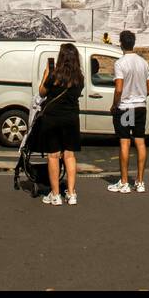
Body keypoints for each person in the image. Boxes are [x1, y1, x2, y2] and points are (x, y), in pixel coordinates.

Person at [107, 30, 149, 194]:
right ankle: (140, 181)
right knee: (140, 142)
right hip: (141, 106)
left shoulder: (120, 63)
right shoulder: (143, 62)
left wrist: (114, 104)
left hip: (126, 107)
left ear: (121, 43)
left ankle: (125, 181)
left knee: (125, 142)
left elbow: (119, 88)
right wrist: (138, 95)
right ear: (133, 43)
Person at [37, 42, 83, 205]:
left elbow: (42, 92)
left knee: (53, 155)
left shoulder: (53, 73)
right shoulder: (79, 77)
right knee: (69, 155)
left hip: (52, 117)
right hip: (71, 118)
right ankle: (71, 193)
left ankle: (55, 194)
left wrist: (47, 74)